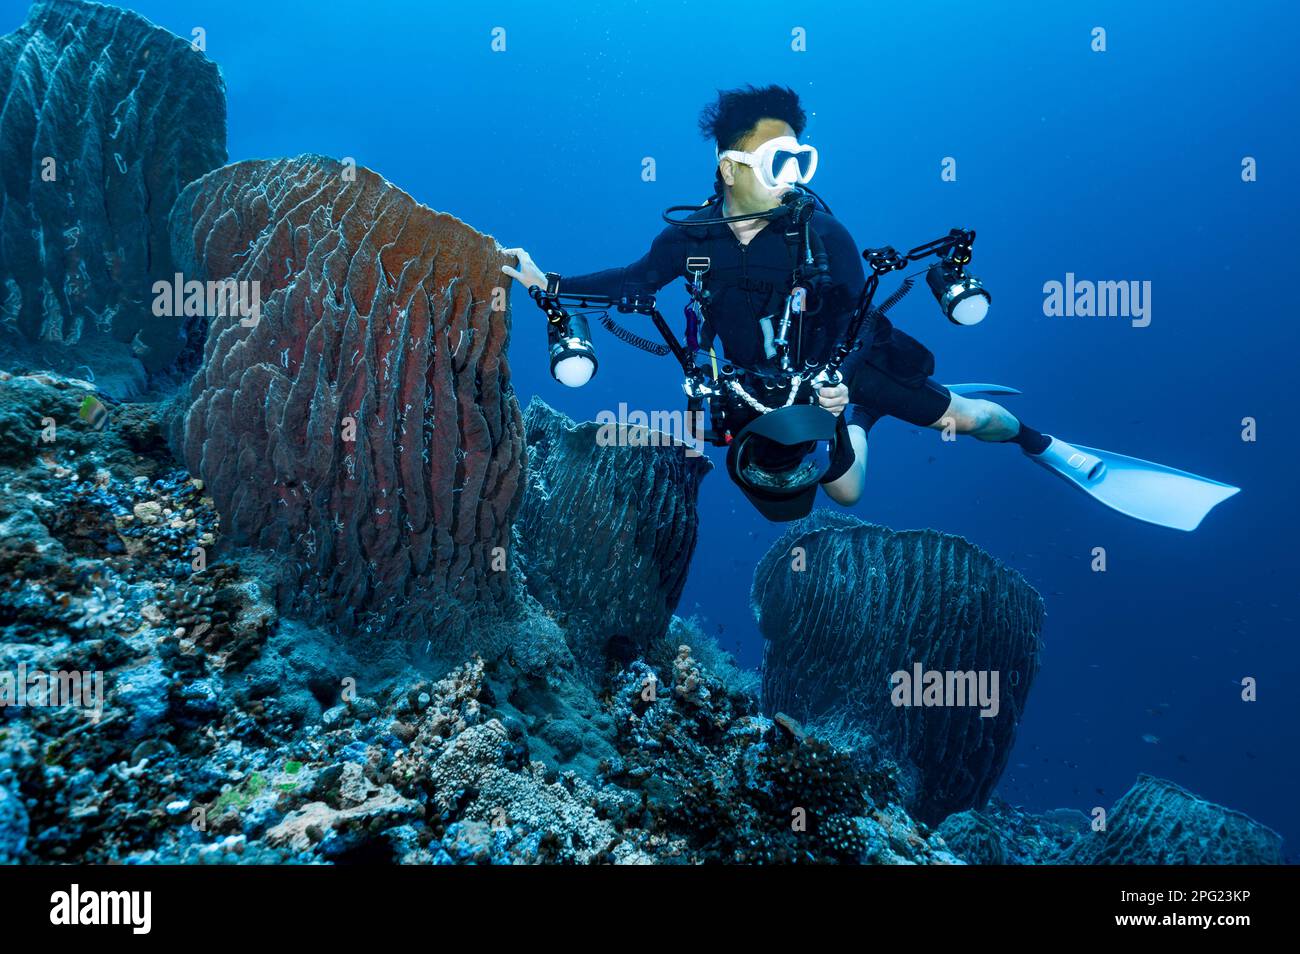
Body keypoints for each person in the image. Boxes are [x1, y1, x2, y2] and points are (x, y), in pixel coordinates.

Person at [502, 84, 1239, 531]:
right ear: (729, 167)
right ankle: (858, 426)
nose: (792, 177)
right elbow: (631, 283)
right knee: (835, 493)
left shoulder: (823, 235)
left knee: (956, 430)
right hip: (759, 388)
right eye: (775, 162)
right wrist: (546, 283)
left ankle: (1049, 446)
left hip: (846, 364)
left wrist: (838, 391)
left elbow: (854, 317)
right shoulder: (686, 239)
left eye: (801, 160)